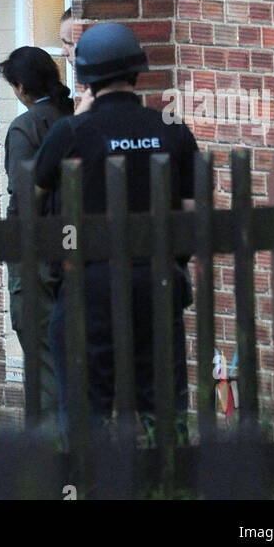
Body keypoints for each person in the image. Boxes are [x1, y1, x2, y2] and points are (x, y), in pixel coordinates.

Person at [35, 22, 198, 436]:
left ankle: (89, 485)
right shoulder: (172, 129)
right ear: (137, 72)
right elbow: (193, 214)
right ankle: (170, 482)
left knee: (86, 417)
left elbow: (33, 200)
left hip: (88, 285)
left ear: (85, 77)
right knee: (163, 411)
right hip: (158, 281)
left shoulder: (69, 133)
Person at [0, 46, 72, 421]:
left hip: (37, 252)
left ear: (21, 86)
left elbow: (24, 195)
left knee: (41, 349)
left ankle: (56, 443)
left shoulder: (25, 127)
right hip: (77, 246)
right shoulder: (72, 116)